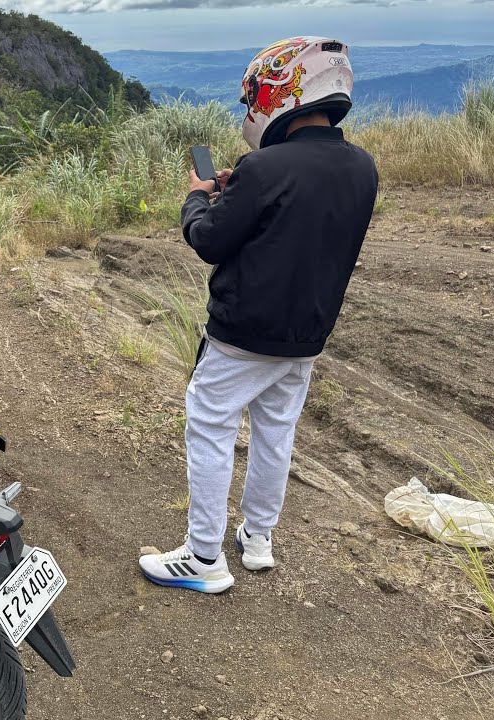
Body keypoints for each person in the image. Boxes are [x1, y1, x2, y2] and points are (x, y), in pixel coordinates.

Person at [139, 37, 379, 594]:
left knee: (210, 424)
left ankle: (203, 558)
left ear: (279, 90)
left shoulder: (263, 168)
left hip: (243, 332)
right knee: (276, 431)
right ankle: (258, 539)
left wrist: (200, 195)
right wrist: (238, 191)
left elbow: (210, 240)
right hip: (307, 334)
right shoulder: (361, 168)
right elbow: (293, 223)